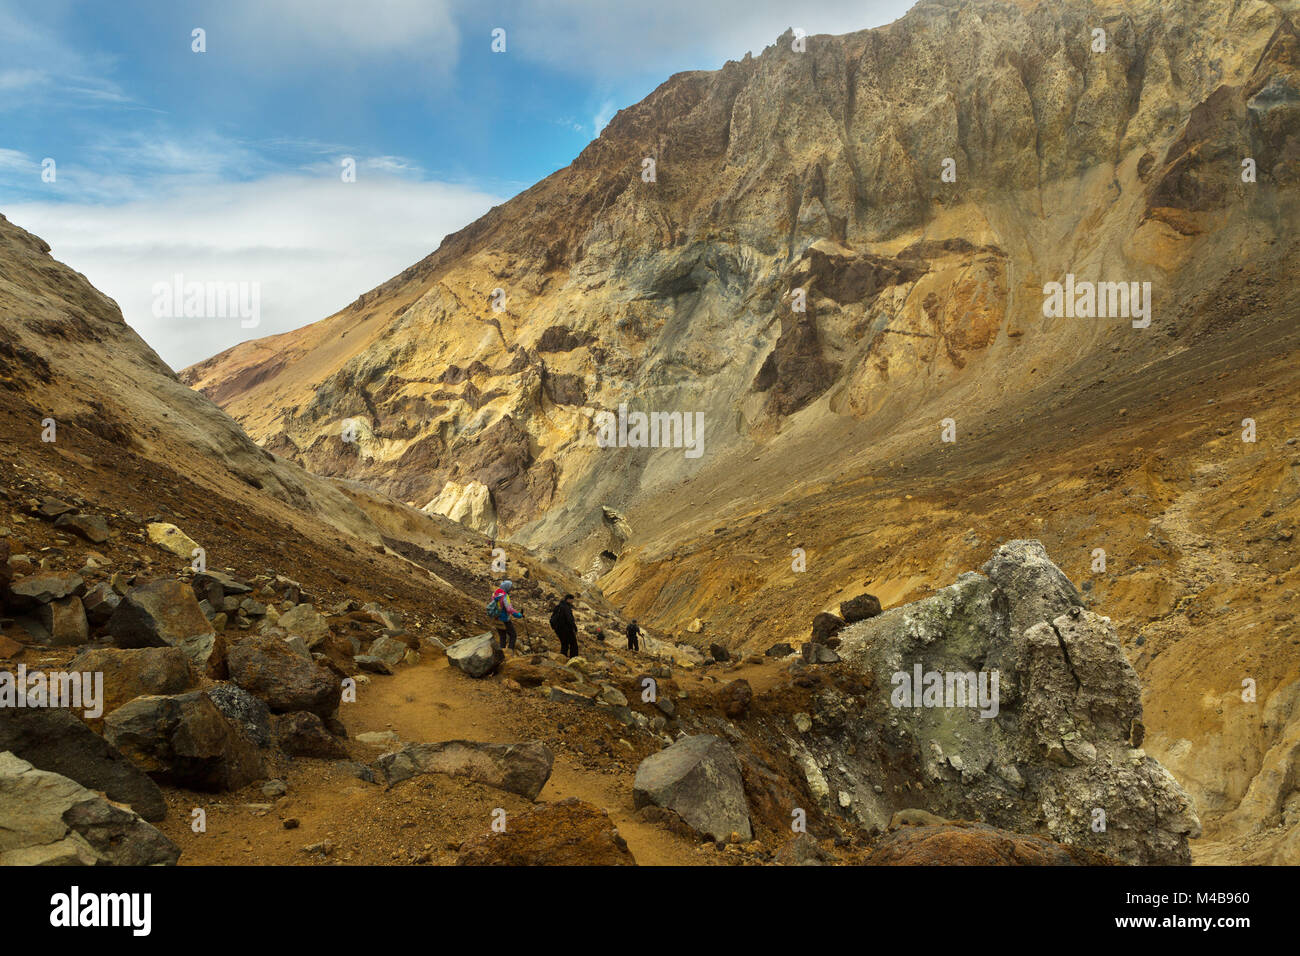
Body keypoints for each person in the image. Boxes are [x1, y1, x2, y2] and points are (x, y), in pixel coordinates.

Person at [488, 579, 523, 651]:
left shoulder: (494, 594)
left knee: (502, 636)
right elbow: (509, 609)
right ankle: (510, 652)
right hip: (504, 619)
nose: (511, 589)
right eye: (510, 587)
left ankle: (502, 653)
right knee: (513, 635)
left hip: (496, 618)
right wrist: (519, 615)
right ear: (507, 587)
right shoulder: (504, 596)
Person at [549, 593, 579, 658]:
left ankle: (562, 657)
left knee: (564, 644)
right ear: (568, 599)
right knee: (573, 644)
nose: (572, 602)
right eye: (572, 600)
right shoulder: (566, 607)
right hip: (566, 629)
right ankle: (574, 659)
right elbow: (570, 619)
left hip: (558, 629)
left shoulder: (559, 606)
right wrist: (575, 628)